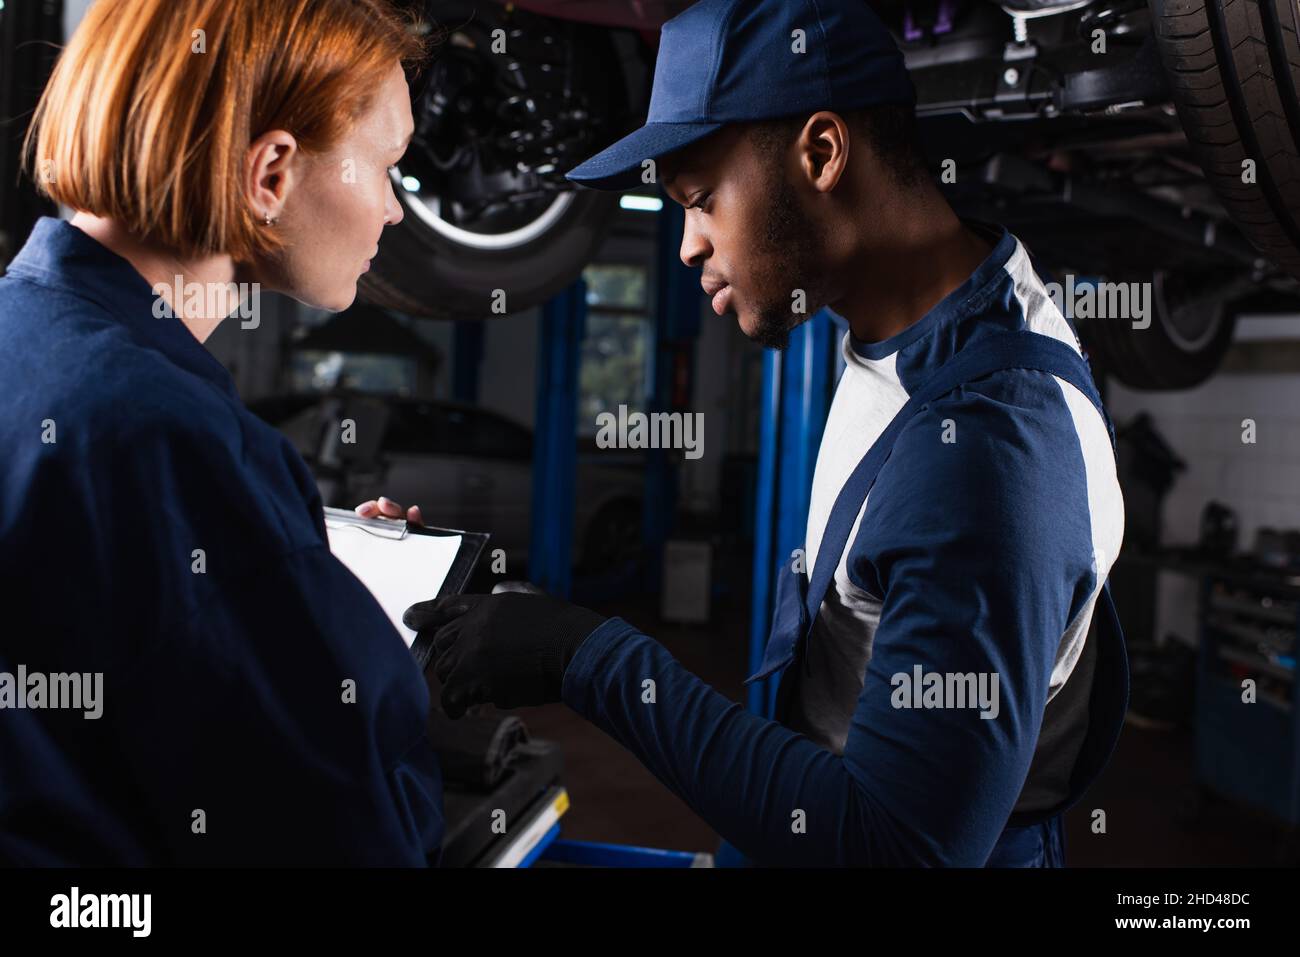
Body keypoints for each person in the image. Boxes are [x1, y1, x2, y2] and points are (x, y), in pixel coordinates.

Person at [406, 0, 1128, 867]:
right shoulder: (908, 317)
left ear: (821, 153)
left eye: (702, 200)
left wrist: (586, 658)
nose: (686, 247)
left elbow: (896, 849)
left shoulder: (989, 446)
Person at [0, 0, 443, 865]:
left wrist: (292, 581)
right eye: (389, 165)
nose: (393, 211)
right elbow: (348, 837)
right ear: (271, 171)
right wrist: (371, 665)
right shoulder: (173, 438)